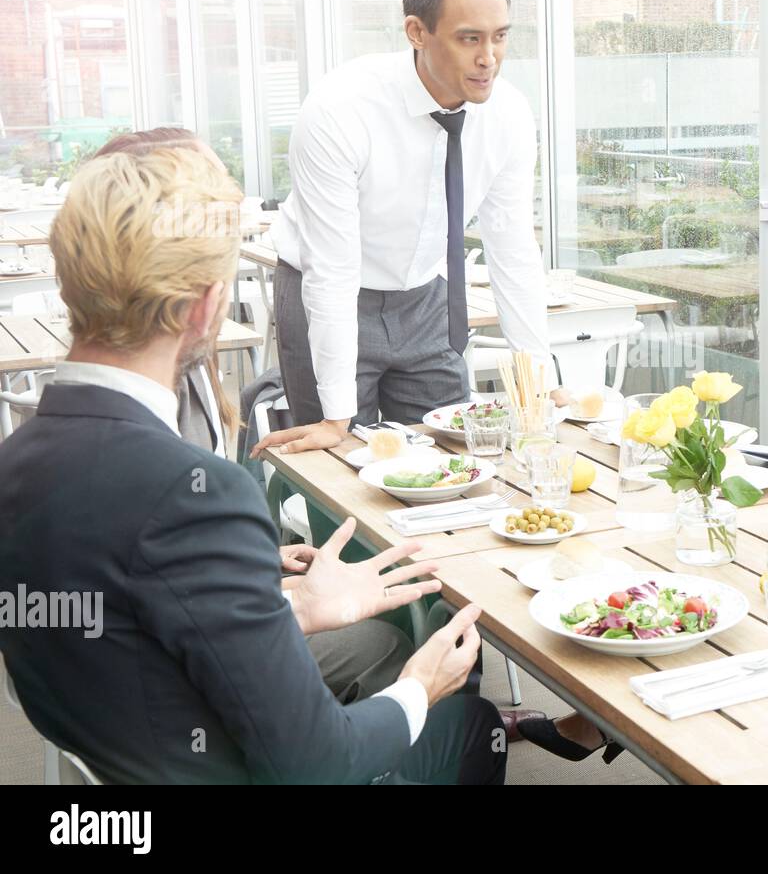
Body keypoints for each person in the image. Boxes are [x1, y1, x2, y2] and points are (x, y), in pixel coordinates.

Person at [0, 145, 505, 783]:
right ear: (206, 307)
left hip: (124, 752)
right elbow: (319, 762)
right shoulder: (198, 494)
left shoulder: (14, 462)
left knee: (375, 647)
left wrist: (280, 606)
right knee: (472, 725)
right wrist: (419, 689)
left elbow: (126, 605)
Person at [256, 0, 563, 459]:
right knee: (340, 466)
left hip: (426, 298)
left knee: (453, 460)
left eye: (500, 36)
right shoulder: (339, 109)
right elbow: (330, 269)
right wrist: (335, 419)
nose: (489, 58)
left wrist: (541, 382)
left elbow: (512, 251)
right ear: (417, 32)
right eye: (470, 39)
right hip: (331, 294)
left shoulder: (508, 114)